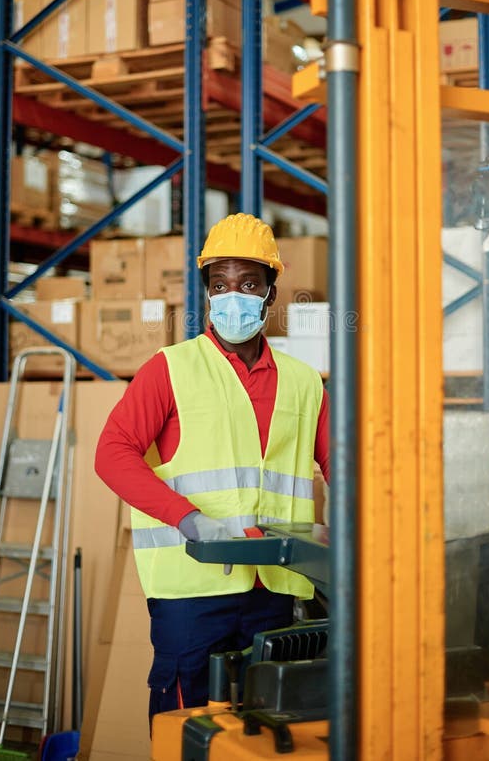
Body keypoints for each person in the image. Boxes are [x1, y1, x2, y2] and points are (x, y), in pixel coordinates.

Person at [95, 212, 329, 722]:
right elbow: (112, 453)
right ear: (206, 292)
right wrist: (187, 517)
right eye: (219, 284)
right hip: (192, 590)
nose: (233, 295)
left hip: (276, 587)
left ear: (270, 292)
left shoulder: (305, 382)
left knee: (266, 728)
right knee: (190, 724)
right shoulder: (170, 368)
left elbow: (345, 470)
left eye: (248, 283)